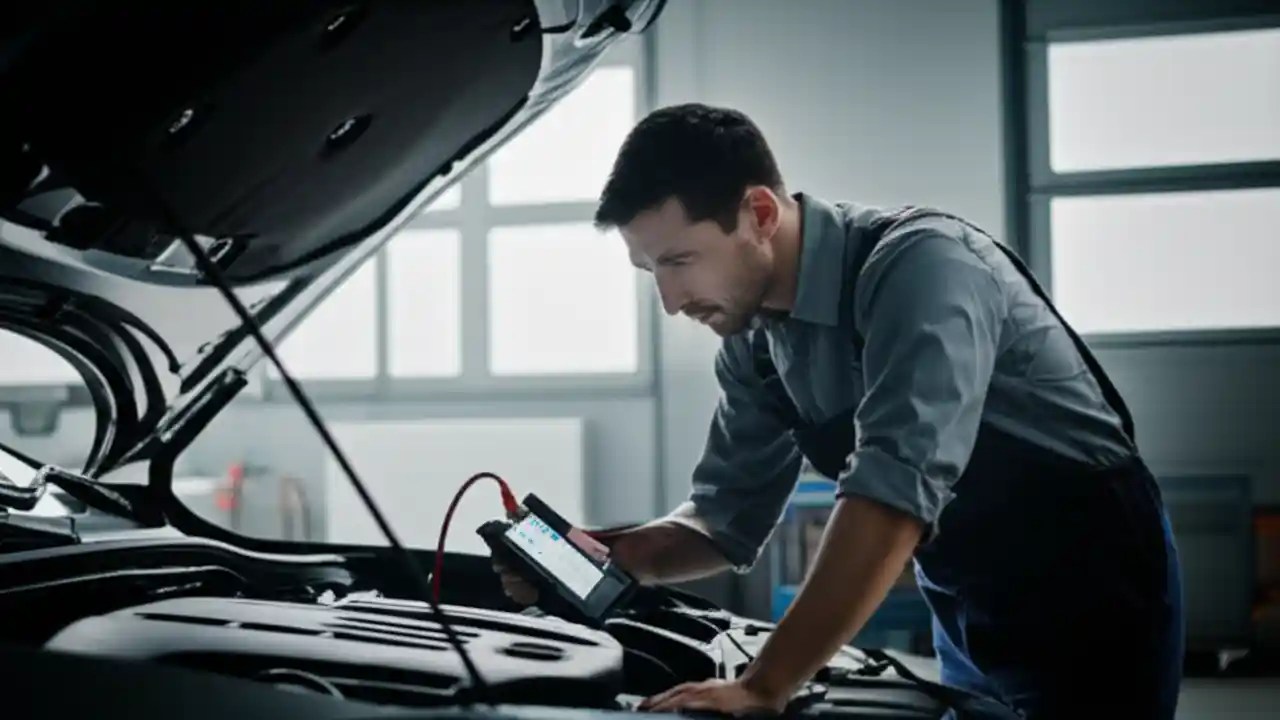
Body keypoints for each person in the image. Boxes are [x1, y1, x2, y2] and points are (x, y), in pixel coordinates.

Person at [494, 103, 1185, 718]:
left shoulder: (924, 266)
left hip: (1091, 584)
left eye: (681, 261)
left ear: (760, 214)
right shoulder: (754, 344)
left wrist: (767, 684)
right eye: (652, 275)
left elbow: (893, 491)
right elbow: (721, 521)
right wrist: (612, 556)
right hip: (968, 596)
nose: (671, 302)